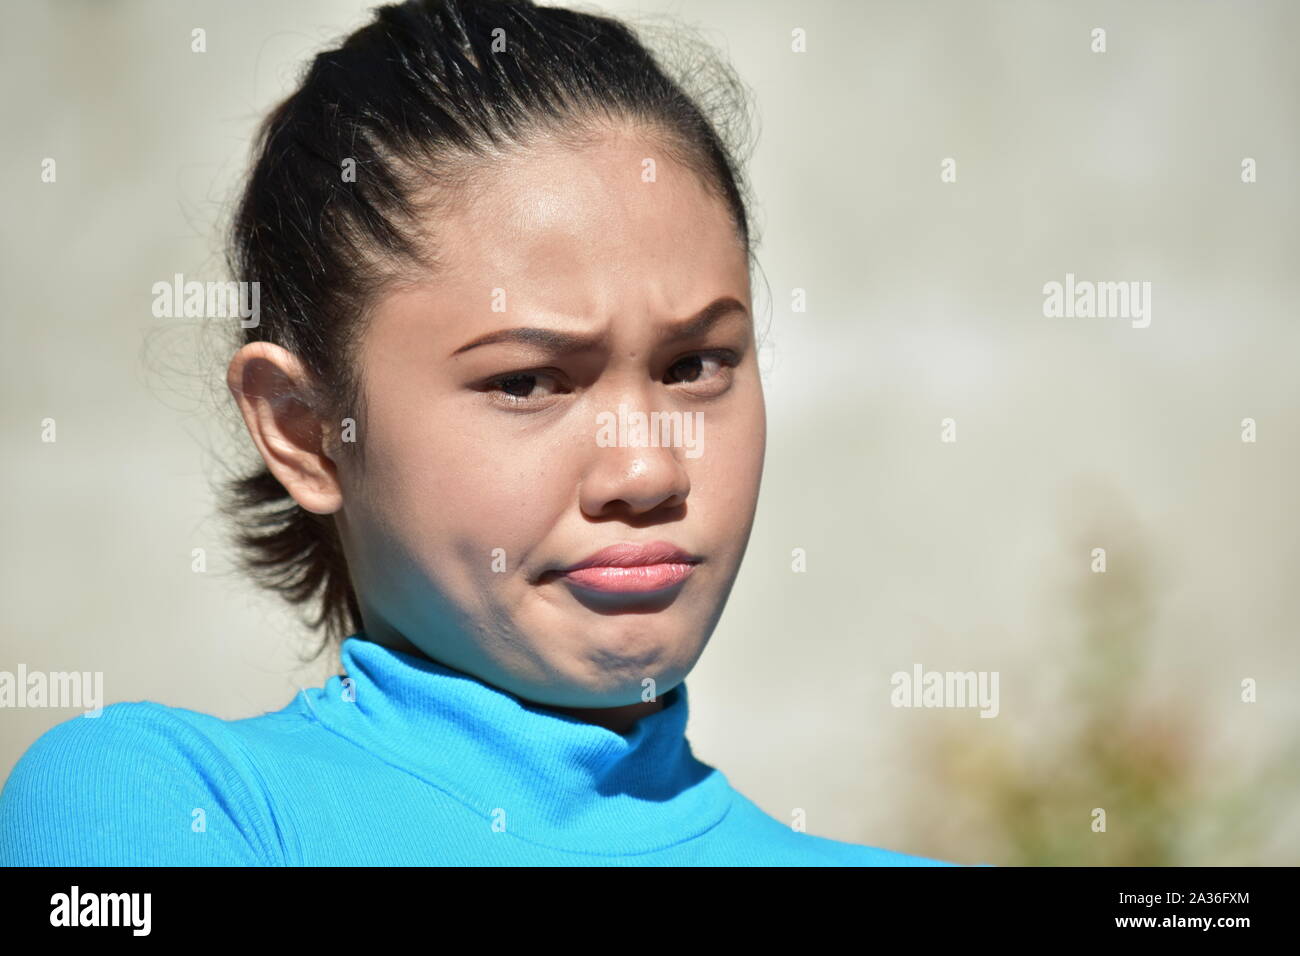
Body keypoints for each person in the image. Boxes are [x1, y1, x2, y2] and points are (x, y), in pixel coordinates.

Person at [0, 0, 957, 866]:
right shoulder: (165, 806)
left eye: (694, 365)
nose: (646, 467)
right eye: (527, 380)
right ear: (305, 431)